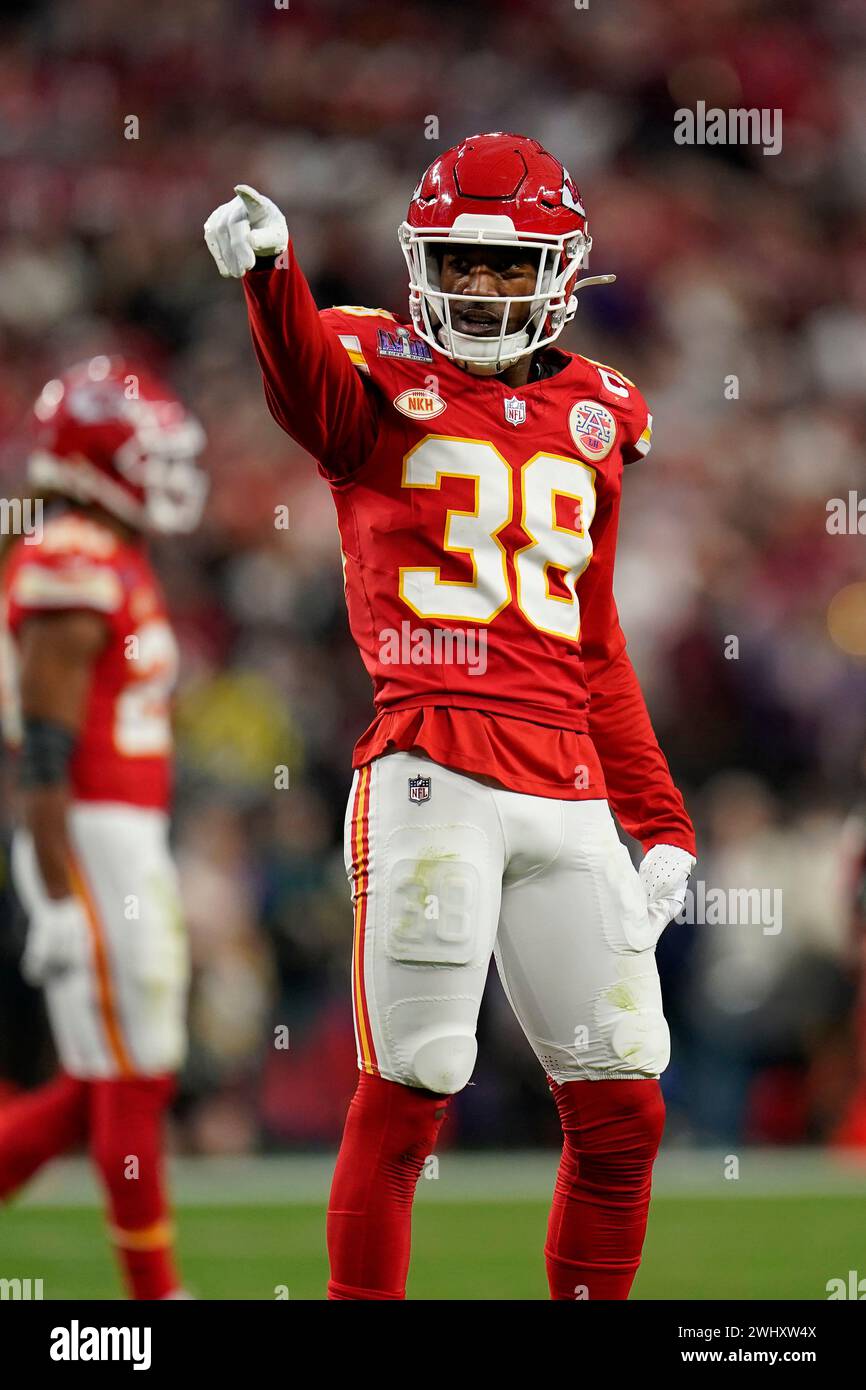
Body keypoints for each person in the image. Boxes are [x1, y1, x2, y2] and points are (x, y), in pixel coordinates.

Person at [204, 131, 697, 1300]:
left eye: (504, 263)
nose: (477, 284)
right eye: (457, 261)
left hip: (568, 786)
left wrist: (659, 816)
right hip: (434, 766)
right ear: (420, 263)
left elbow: (594, 642)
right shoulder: (371, 370)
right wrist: (270, 277)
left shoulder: (598, 412)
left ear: (560, 271)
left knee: (624, 1101)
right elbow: (305, 393)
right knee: (416, 1080)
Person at [0, 355, 207, 1299]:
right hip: (87, 837)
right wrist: (55, 893)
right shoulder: (71, 558)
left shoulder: (109, 552)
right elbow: (44, 751)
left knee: (108, 1080)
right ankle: (157, 1296)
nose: (164, 473)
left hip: (119, 837)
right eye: (145, 453)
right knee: (136, 1074)